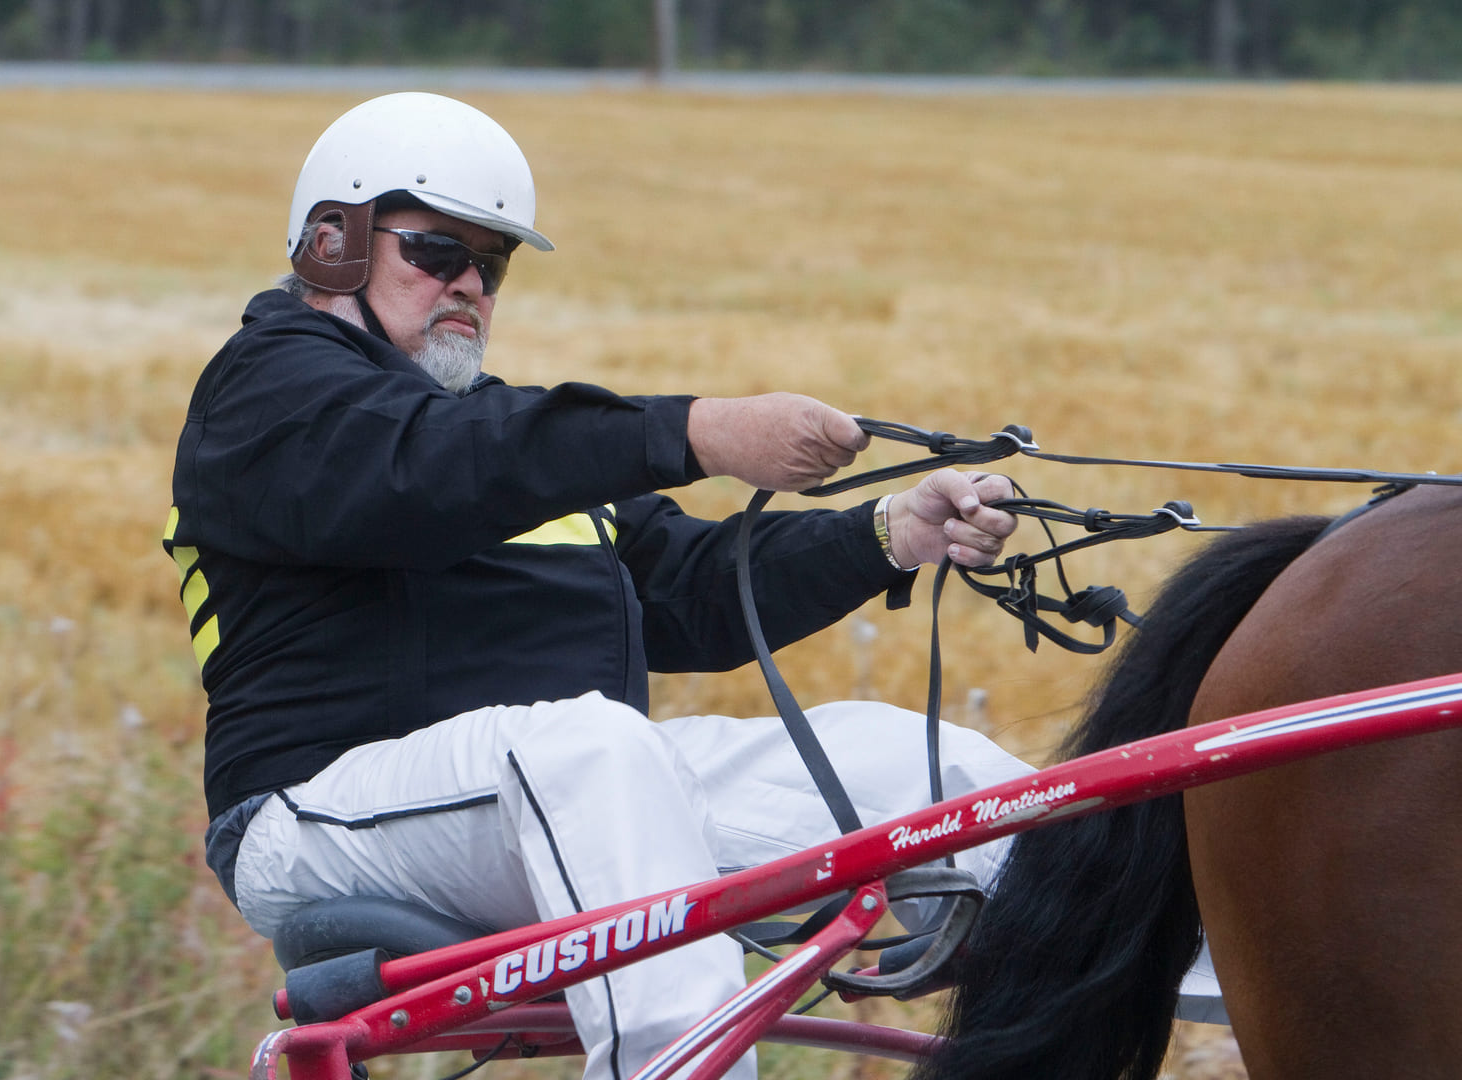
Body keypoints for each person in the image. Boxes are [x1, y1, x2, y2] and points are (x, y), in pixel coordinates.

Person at [164, 92, 1035, 1080]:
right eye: (437, 253)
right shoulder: (269, 390)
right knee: (592, 745)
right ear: (332, 244)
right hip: (317, 816)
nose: (471, 287)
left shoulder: (496, 439)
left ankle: (1206, 985)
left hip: (564, 793)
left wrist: (889, 535)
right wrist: (697, 431)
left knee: (910, 764)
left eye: (489, 266)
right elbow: (430, 469)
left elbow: (698, 593)